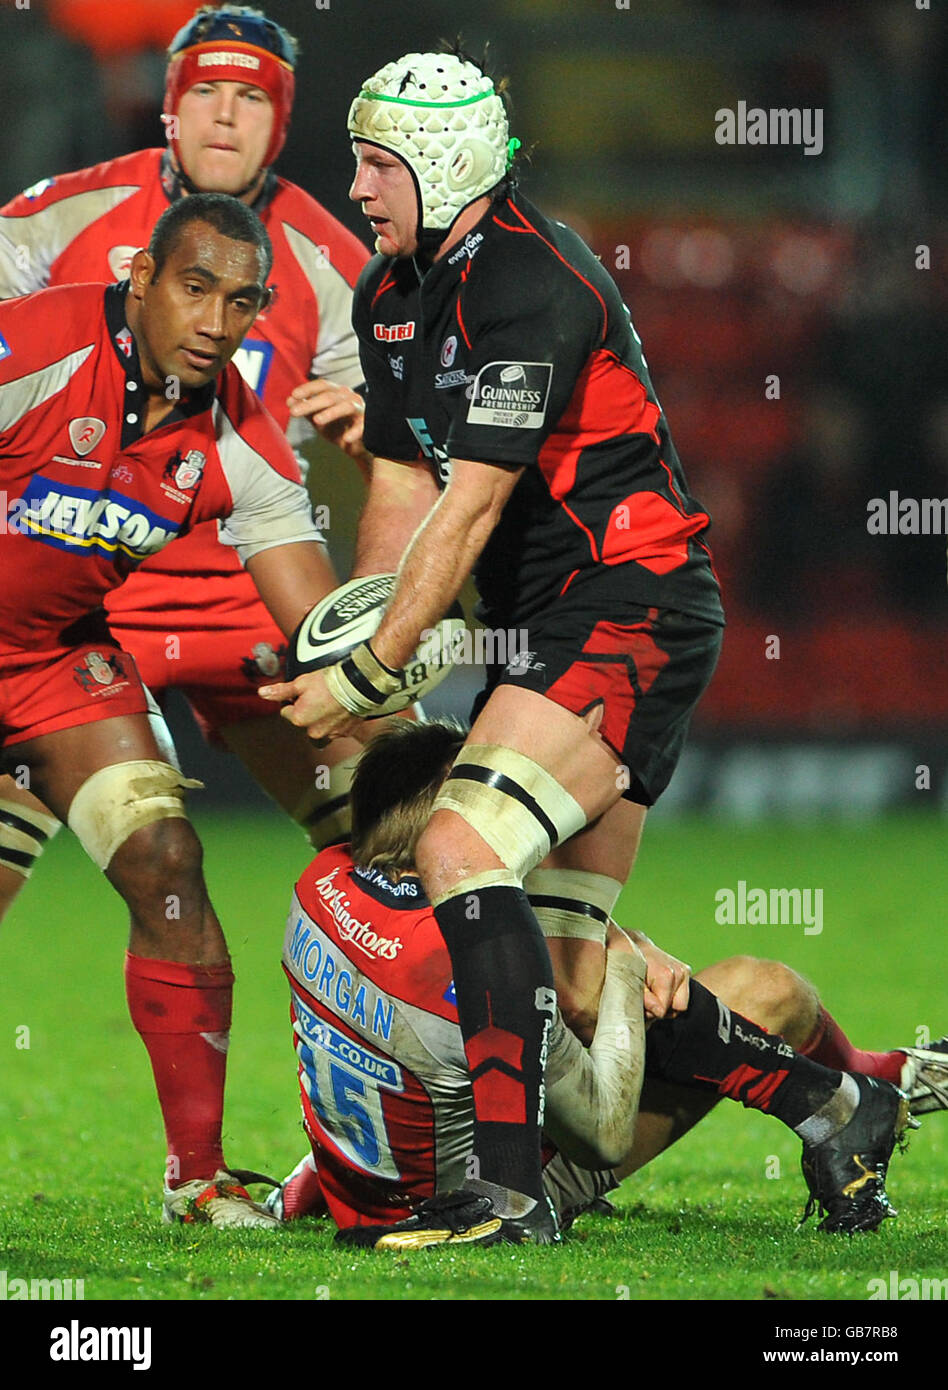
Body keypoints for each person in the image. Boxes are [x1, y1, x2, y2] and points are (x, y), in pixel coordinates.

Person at [259, 45, 911, 1242]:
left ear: (444, 163)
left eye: (372, 166)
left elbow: (477, 503)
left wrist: (371, 666)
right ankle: (837, 1102)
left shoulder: (530, 280)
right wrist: (370, 627)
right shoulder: (390, 292)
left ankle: (506, 1201)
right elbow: (409, 482)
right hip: (553, 630)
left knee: (458, 847)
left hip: (631, 606)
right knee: (565, 996)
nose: (353, 189)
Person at [0, 192, 360, 1228]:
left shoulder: (236, 437)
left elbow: (310, 615)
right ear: (142, 279)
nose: (214, 320)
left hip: (51, 663)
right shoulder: (36, 343)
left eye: (240, 302)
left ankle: (197, 1182)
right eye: (194, 288)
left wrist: (371, 658)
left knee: (166, 864)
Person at [269, 719, 945, 1247]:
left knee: (677, 983)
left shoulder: (320, 883)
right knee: (768, 994)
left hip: (363, 1190)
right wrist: (623, 954)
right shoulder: (467, 967)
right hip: (478, 1197)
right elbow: (603, 1130)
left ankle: (870, 1093)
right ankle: (863, 1097)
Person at [0, 3, 371, 918]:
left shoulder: (336, 263)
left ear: (280, 122)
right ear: (170, 107)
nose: (224, 116)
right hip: (79, 601)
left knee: (403, 835)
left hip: (245, 603)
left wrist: (377, 432)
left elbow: (415, 462)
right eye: (204, 91)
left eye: (251, 97)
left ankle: (429, 1048)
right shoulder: (62, 214)